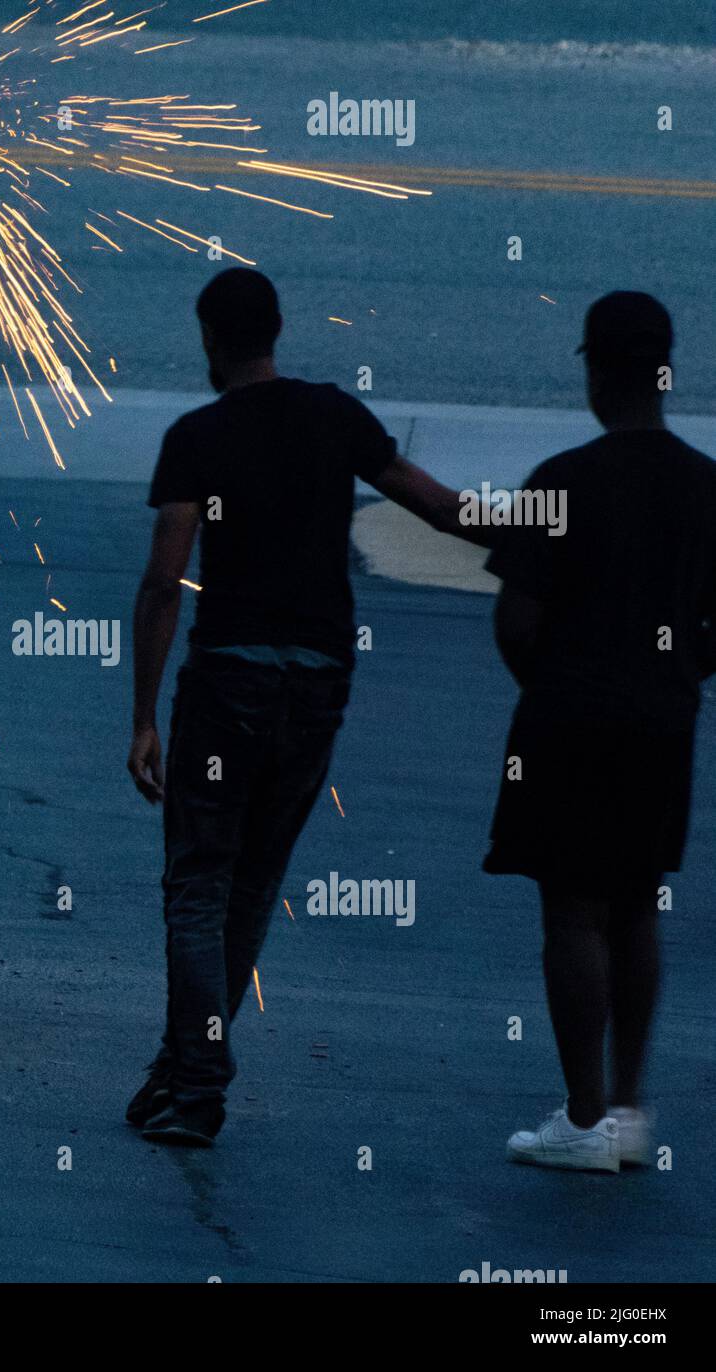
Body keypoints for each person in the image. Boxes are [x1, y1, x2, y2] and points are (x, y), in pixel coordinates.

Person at [126, 267, 487, 1146]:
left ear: (211, 340)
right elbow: (442, 510)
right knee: (251, 884)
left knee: (198, 882)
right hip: (319, 682)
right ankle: (182, 1068)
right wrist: (556, 528)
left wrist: (143, 718)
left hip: (229, 682)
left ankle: (198, 1079)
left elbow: (164, 584)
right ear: (278, 332)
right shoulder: (336, 417)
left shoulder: (196, 438)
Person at [485, 291, 716, 1173]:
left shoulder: (560, 480)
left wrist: (554, 689)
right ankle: (626, 1109)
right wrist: (677, 673)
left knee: (573, 911)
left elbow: (515, 619)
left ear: (595, 368)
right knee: (637, 903)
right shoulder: (705, 486)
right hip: (663, 721)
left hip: (570, 716)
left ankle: (580, 1118)